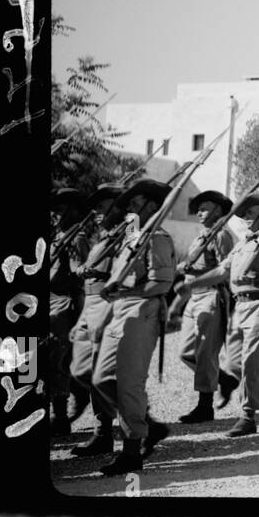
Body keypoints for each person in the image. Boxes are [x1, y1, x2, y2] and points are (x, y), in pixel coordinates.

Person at [90, 179, 176, 475]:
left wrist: (121, 287)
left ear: (153, 205)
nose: (130, 209)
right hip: (120, 310)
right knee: (100, 378)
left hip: (142, 310)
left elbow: (162, 282)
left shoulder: (157, 238)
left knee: (129, 382)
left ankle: (131, 451)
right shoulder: (132, 238)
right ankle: (149, 426)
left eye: (136, 204)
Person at [188, 193, 259, 438]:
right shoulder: (244, 241)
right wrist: (191, 284)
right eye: (243, 214)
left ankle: (248, 415)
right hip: (239, 306)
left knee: (250, 360)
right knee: (234, 362)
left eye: (251, 212)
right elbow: (223, 269)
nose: (245, 218)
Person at [68, 183, 125, 457]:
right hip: (89, 303)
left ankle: (106, 431)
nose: (98, 212)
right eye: (97, 207)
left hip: (106, 302)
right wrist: (81, 269)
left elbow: (127, 271)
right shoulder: (102, 238)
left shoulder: (127, 235)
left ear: (119, 206)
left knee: (99, 369)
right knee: (80, 369)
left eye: (104, 206)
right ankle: (133, 417)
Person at [173, 190, 235, 423]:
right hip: (194, 297)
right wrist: (184, 266)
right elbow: (195, 262)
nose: (199, 212)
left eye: (205, 208)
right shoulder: (202, 235)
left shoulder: (221, 236)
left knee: (205, 353)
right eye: (198, 209)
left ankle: (205, 406)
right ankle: (223, 380)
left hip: (210, 296)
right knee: (186, 352)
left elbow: (224, 271)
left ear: (218, 210)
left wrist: (196, 273)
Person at [48, 187, 88, 437]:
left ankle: (60, 417)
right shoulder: (56, 235)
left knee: (56, 359)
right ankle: (76, 394)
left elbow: (79, 272)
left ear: (73, 211)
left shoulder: (77, 237)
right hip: (48, 300)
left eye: (59, 210)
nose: (54, 215)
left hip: (63, 303)